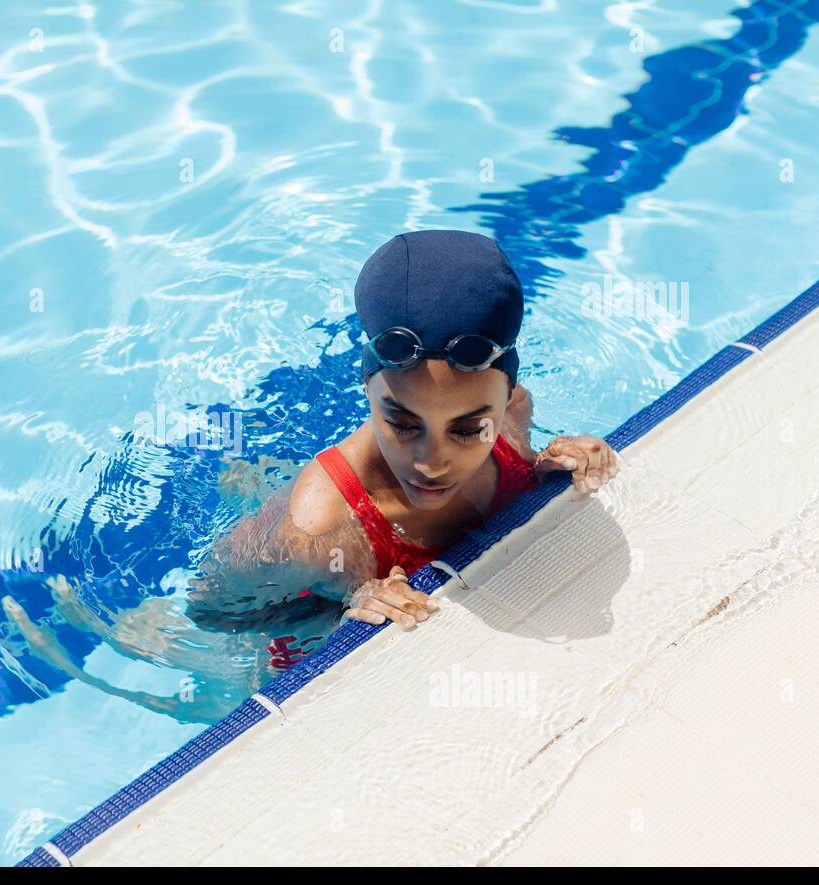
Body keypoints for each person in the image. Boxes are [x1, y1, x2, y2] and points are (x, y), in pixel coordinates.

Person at [188, 229, 620, 641]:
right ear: (367, 392)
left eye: (469, 429)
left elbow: (533, 468)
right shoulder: (316, 530)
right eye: (402, 424)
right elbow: (211, 612)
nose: (431, 463)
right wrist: (346, 607)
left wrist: (553, 464)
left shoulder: (513, 417)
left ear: (508, 397)